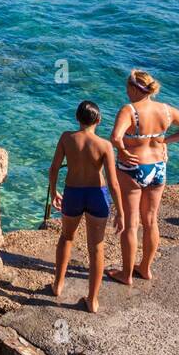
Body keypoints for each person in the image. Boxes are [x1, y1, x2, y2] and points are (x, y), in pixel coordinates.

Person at [107, 70, 179, 284]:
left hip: (133, 169)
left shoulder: (129, 110)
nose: (126, 91)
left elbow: (115, 137)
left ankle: (126, 274)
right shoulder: (166, 111)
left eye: (126, 88)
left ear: (133, 89)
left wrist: (122, 152)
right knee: (151, 220)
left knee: (131, 224)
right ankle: (145, 268)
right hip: (158, 168)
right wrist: (165, 141)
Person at [49, 101, 124, 312]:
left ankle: (57, 285)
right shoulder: (104, 145)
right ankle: (92, 300)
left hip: (73, 192)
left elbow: (54, 168)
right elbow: (113, 182)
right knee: (97, 247)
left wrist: (54, 191)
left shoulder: (66, 138)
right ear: (98, 120)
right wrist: (120, 212)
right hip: (96, 195)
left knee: (66, 237)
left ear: (77, 118)